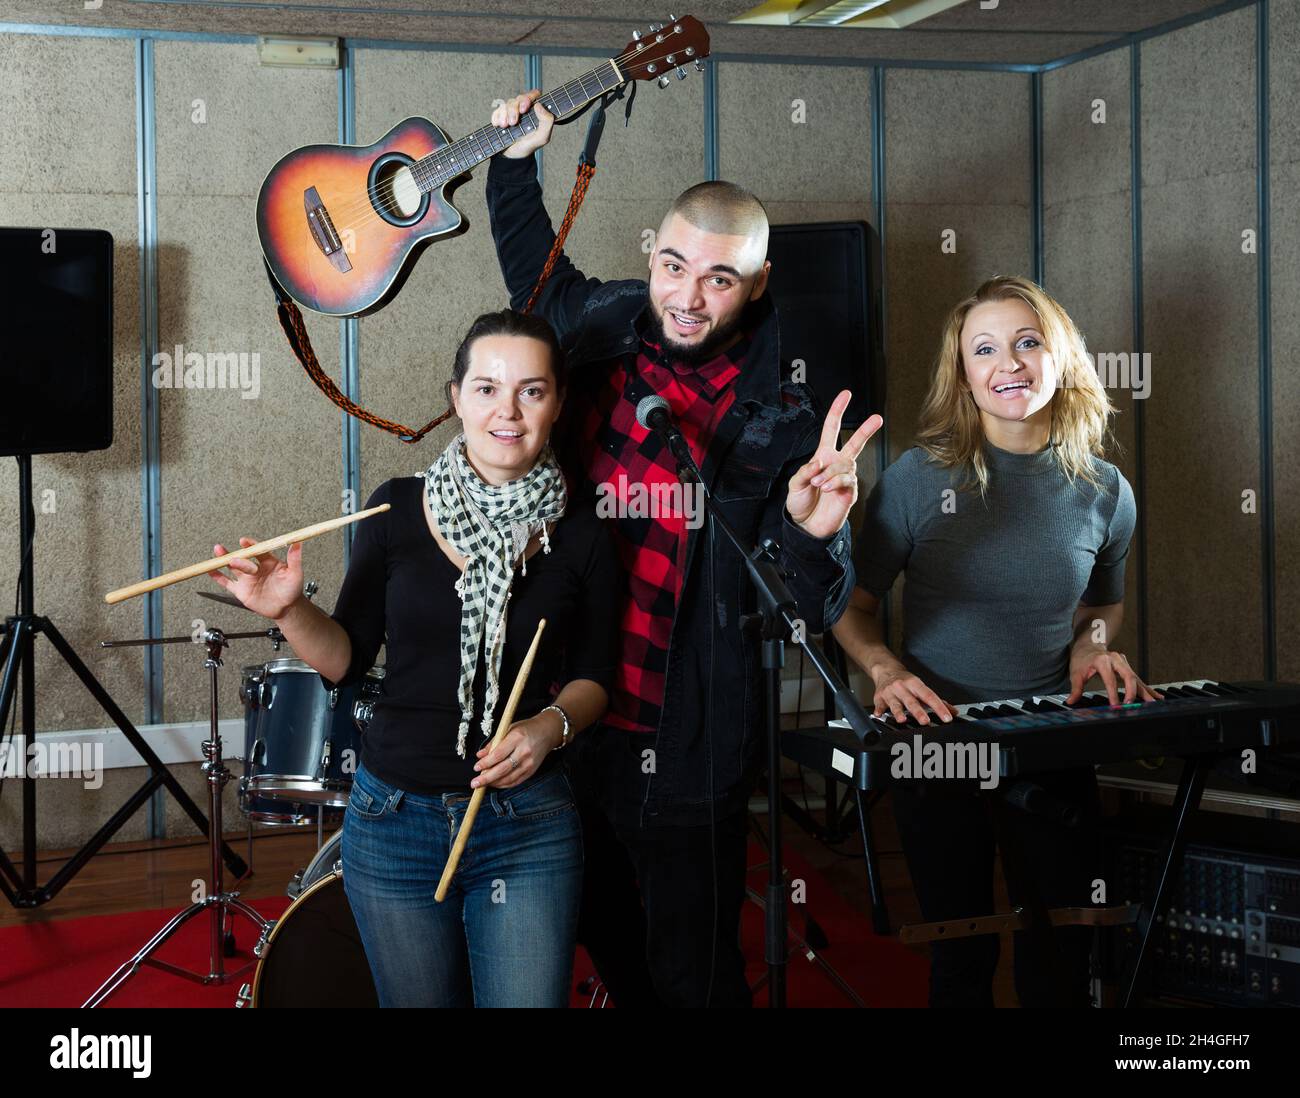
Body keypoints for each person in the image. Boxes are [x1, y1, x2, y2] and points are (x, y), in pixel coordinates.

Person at [484, 90, 881, 1007]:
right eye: (674, 267)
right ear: (650, 259)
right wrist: (514, 162)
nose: (688, 297)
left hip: (692, 729)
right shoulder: (599, 328)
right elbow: (536, 280)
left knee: (694, 966)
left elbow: (807, 608)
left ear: (760, 281)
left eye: (719, 279)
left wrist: (818, 536)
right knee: (599, 926)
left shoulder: (787, 420)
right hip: (569, 708)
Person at [209, 308, 621, 1007]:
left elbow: (594, 678)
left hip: (528, 826)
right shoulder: (395, 510)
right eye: (486, 388)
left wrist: (547, 727)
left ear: (558, 403)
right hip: (393, 818)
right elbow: (345, 658)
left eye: (532, 390)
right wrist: (288, 611)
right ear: (456, 398)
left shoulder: (580, 531)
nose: (508, 410)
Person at [832, 275, 1159, 1007]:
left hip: (1050, 736)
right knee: (962, 953)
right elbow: (848, 608)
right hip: (935, 740)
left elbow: (1103, 606)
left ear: (1060, 357)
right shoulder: (918, 480)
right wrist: (883, 670)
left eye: (1027, 342)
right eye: (985, 349)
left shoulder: (1106, 491)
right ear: (964, 376)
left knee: (1066, 952)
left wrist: (1091, 648)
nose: (1009, 364)